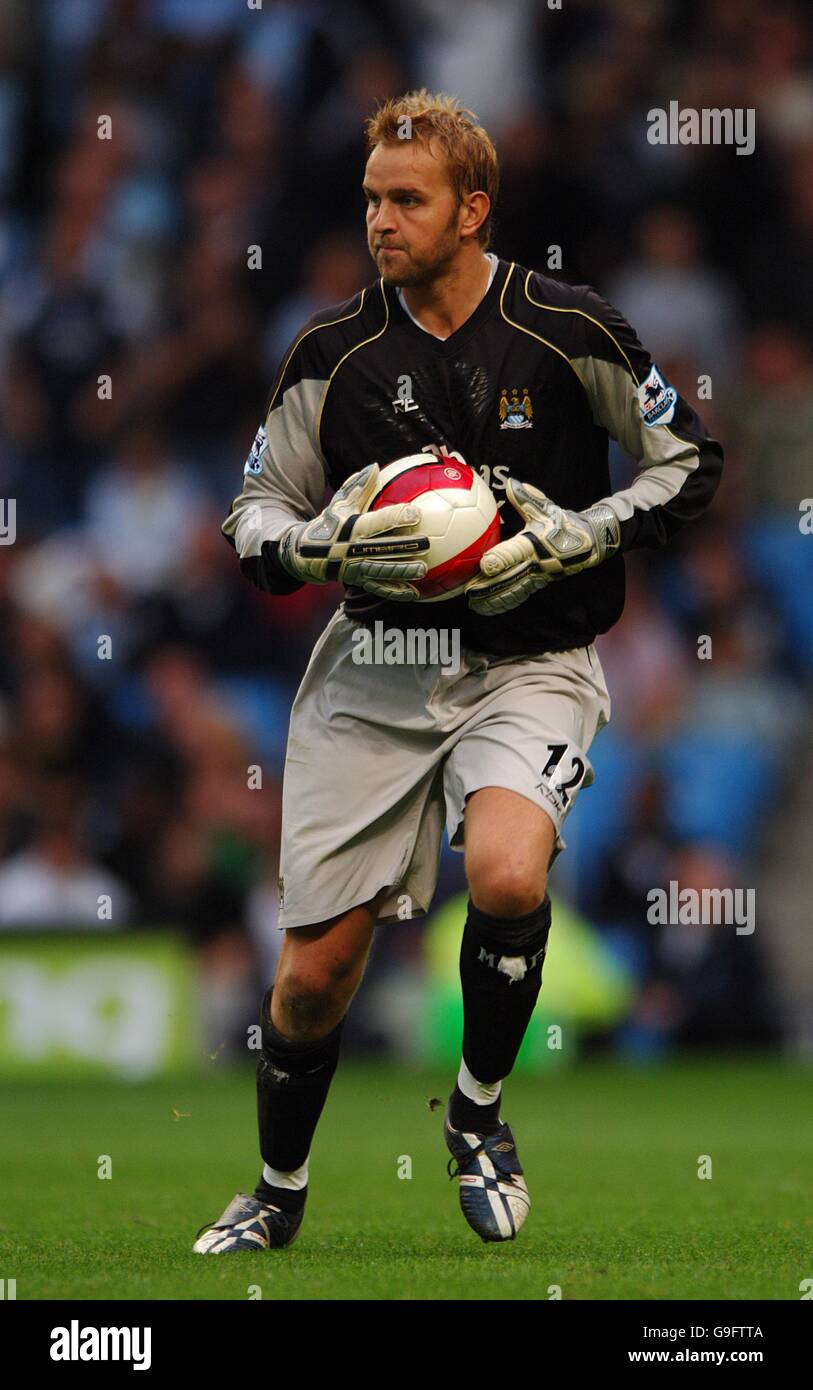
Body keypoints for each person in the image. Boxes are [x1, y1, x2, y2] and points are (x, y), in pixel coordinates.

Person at [193, 90, 723, 1253]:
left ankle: (476, 1111)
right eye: (373, 199)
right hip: (375, 669)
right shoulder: (329, 353)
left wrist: (584, 531)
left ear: (473, 208)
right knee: (312, 983)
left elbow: (688, 463)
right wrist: (308, 546)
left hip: (529, 659)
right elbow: (250, 511)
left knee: (509, 873)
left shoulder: (569, 328)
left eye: (408, 200)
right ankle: (277, 1192)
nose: (381, 221)